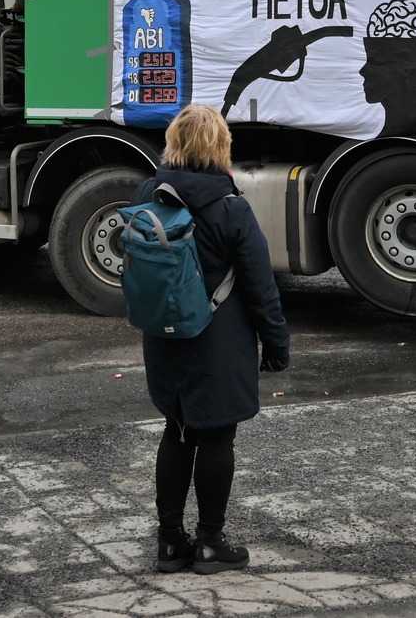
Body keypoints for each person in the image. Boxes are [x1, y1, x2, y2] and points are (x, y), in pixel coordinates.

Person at [129, 105, 289, 577]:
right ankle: (210, 544)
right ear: (221, 146)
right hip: (218, 340)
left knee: (177, 430)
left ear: (174, 142)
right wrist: (276, 346)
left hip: (163, 335)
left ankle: (169, 543)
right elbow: (261, 287)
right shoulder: (231, 207)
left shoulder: (148, 193)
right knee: (217, 438)